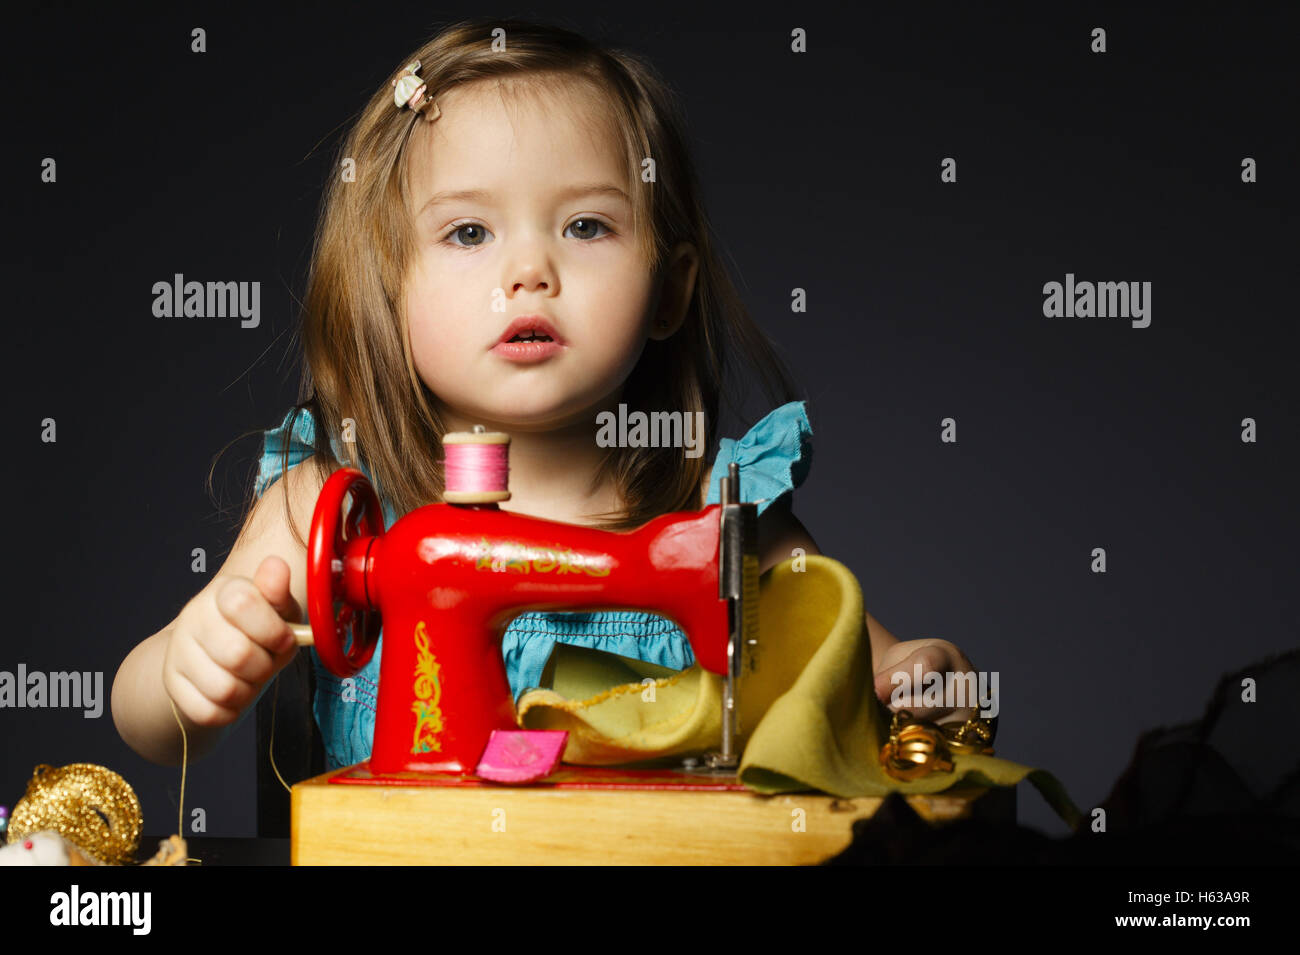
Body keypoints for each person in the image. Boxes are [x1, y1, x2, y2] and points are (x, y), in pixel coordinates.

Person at [112, 17, 979, 770]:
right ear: (388, 286)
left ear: (670, 290)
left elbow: (857, 663)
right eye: (469, 231)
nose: (529, 271)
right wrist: (185, 671)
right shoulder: (327, 511)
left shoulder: (722, 507)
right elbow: (146, 724)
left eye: (586, 225)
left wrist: (911, 667)